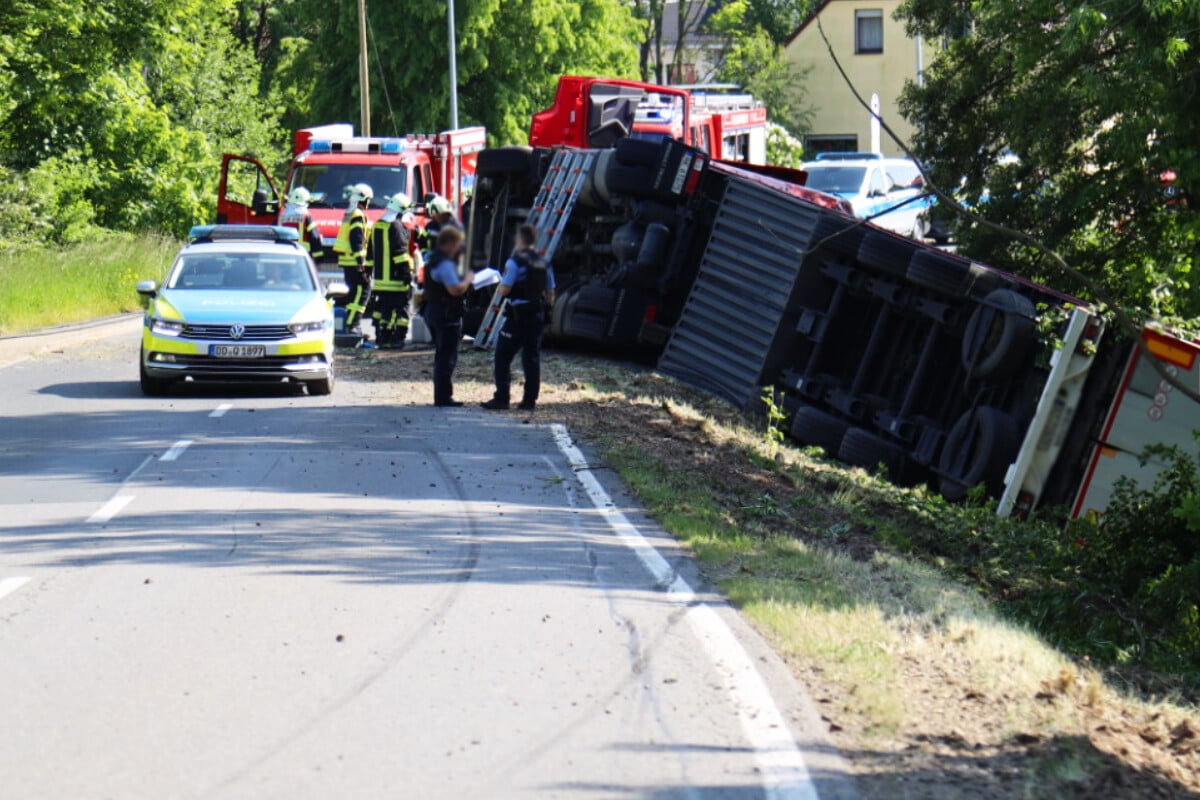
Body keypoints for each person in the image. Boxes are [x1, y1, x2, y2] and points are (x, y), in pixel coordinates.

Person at [481, 224, 555, 411]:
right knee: (531, 359)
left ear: (520, 240)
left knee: (503, 356)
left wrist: (497, 286)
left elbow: (505, 289)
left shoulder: (514, 262)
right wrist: (546, 311)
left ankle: (502, 398)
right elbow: (550, 293)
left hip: (517, 317)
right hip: (536, 315)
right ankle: (529, 401)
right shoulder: (545, 262)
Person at [421, 226, 474, 407]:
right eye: (458, 243)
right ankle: (443, 397)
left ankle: (441, 395)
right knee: (447, 356)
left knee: (441, 354)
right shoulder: (445, 264)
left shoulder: (432, 259)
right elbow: (455, 289)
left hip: (433, 310)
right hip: (447, 313)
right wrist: (468, 279)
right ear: (450, 243)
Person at [368, 193, 415, 350]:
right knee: (400, 311)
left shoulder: (377, 225)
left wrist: (368, 272)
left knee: (383, 311)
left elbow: (370, 252)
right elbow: (400, 254)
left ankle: (382, 339)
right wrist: (407, 276)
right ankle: (397, 339)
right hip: (396, 281)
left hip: (381, 280)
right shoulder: (396, 226)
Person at [333, 182, 373, 341]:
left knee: (354, 293)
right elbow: (357, 238)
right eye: (368, 200)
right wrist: (360, 261)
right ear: (364, 199)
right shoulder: (357, 214)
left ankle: (351, 325)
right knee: (362, 292)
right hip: (353, 261)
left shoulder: (350, 212)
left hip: (348, 260)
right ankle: (352, 326)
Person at [282, 186, 325, 260]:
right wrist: (318, 258)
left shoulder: (282, 216)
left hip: (283, 255)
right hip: (301, 256)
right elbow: (315, 237)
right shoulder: (306, 217)